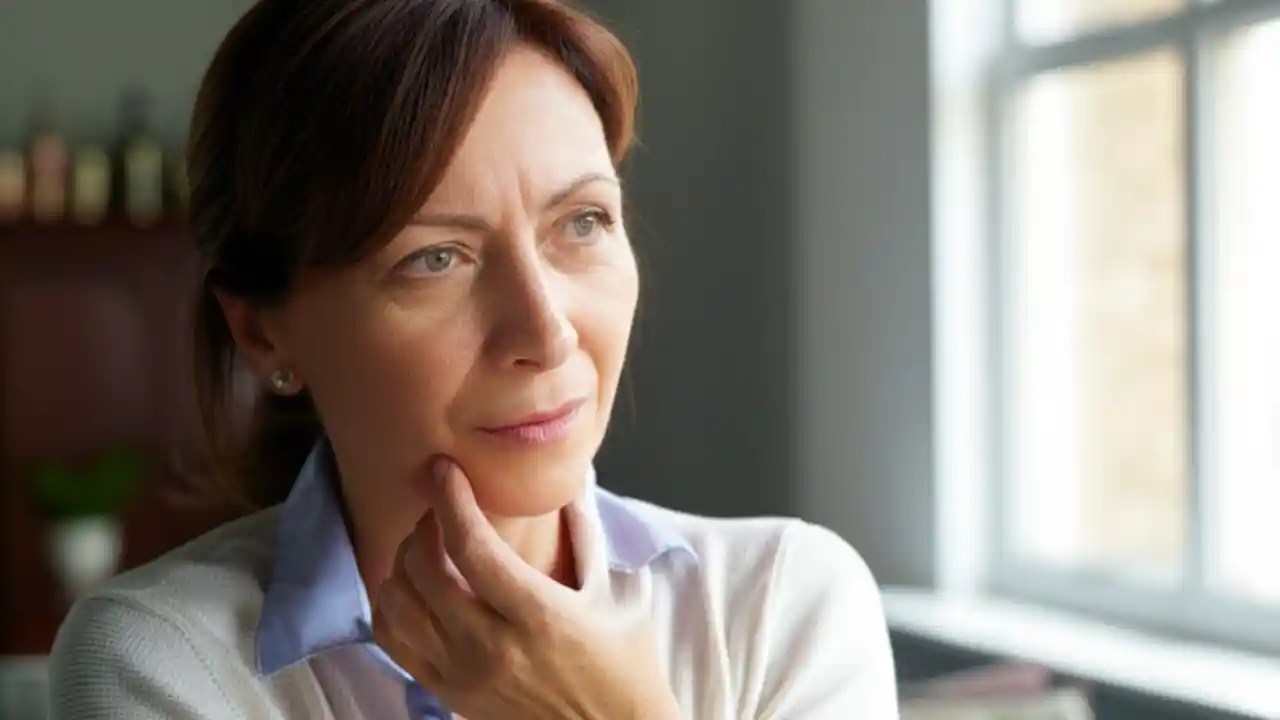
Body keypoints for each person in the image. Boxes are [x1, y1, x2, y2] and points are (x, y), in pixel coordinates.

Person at [48, 1, 898, 717]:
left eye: (584, 222)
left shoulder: (781, 605)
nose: (547, 332)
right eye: (435, 259)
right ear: (265, 332)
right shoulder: (161, 660)